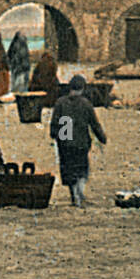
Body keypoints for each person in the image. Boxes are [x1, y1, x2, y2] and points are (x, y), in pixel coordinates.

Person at [50, 75, 106, 207]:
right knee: (81, 169)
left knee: (68, 170)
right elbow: (94, 124)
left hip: (64, 143)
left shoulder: (60, 103)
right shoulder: (86, 104)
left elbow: (54, 123)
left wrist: (53, 134)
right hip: (81, 143)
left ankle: (73, 196)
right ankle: (80, 194)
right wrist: (102, 137)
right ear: (82, 88)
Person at [7, 31, 32, 95]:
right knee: (20, 82)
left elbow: (9, 55)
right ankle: (20, 94)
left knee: (18, 81)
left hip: (19, 66)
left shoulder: (15, 44)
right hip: (20, 66)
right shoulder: (20, 44)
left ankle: (17, 94)